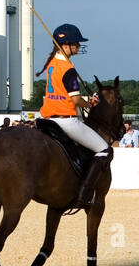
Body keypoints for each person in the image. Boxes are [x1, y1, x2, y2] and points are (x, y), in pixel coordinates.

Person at [35, 23, 111, 208]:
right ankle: (86, 193)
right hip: (66, 120)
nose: (78, 46)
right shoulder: (67, 68)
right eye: (76, 43)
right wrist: (91, 104)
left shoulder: (52, 63)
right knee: (105, 150)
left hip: (46, 119)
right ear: (66, 44)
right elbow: (76, 100)